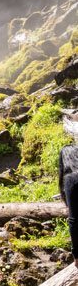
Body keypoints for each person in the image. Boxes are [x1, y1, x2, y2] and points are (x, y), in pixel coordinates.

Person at [60, 111, 78, 264]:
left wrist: (76, 253)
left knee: (74, 217)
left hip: (72, 179)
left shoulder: (67, 151)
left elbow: (73, 220)